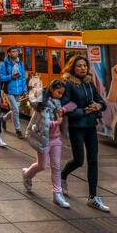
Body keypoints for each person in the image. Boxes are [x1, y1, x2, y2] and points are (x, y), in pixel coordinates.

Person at [61, 54, 110, 212]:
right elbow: (65, 106)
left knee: (93, 161)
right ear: (73, 67)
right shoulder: (68, 83)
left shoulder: (89, 83)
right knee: (78, 160)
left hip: (90, 126)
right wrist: (83, 111)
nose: (83, 68)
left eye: (85, 66)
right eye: (79, 66)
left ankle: (93, 197)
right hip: (76, 127)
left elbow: (101, 101)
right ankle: (62, 176)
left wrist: (98, 106)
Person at [23, 79, 69, 207]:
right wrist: (57, 122)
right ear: (51, 90)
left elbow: (71, 105)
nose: (61, 96)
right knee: (42, 165)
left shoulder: (58, 103)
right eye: (59, 93)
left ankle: (57, 194)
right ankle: (27, 174)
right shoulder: (42, 104)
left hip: (56, 139)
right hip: (42, 139)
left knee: (56, 166)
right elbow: (44, 125)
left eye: (62, 94)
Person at [0, 46, 30, 139]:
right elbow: (1, 77)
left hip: (19, 90)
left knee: (14, 110)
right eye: (13, 51)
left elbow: (23, 77)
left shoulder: (20, 63)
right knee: (16, 110)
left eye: (16, 51)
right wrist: (11, 77)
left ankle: (4, 118)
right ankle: (18, 130)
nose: (15, 53)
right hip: (9, 90)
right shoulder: (4, 64)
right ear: (8, 53)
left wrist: (24, 90)